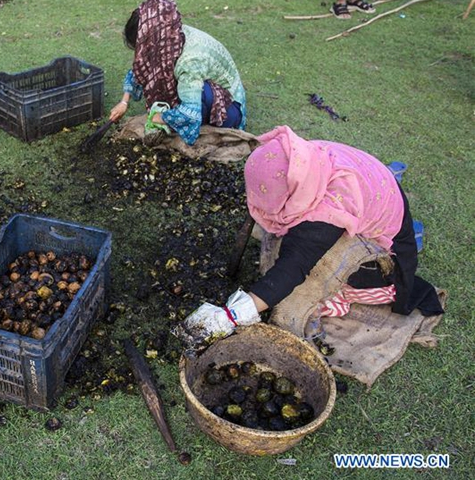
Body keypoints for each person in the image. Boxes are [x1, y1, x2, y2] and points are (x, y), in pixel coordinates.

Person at [176, 126, 444, 351]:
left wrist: (230, 316)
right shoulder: (300, 157)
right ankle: (394, 226)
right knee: (301, 242)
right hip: (376, 187)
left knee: (325, 281)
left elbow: (294, 267)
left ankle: (394, 243)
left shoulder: (328, 212)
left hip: (387, 231)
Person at [108, 0, 247, 147]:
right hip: (201, 87)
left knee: (192, 98)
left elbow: (190, 114)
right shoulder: (166, 34)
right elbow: (142, 66)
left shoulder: (190, 61)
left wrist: (161, 117)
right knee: (161, 71)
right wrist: (124, 102)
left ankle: (204, 123)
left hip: (229, 108)